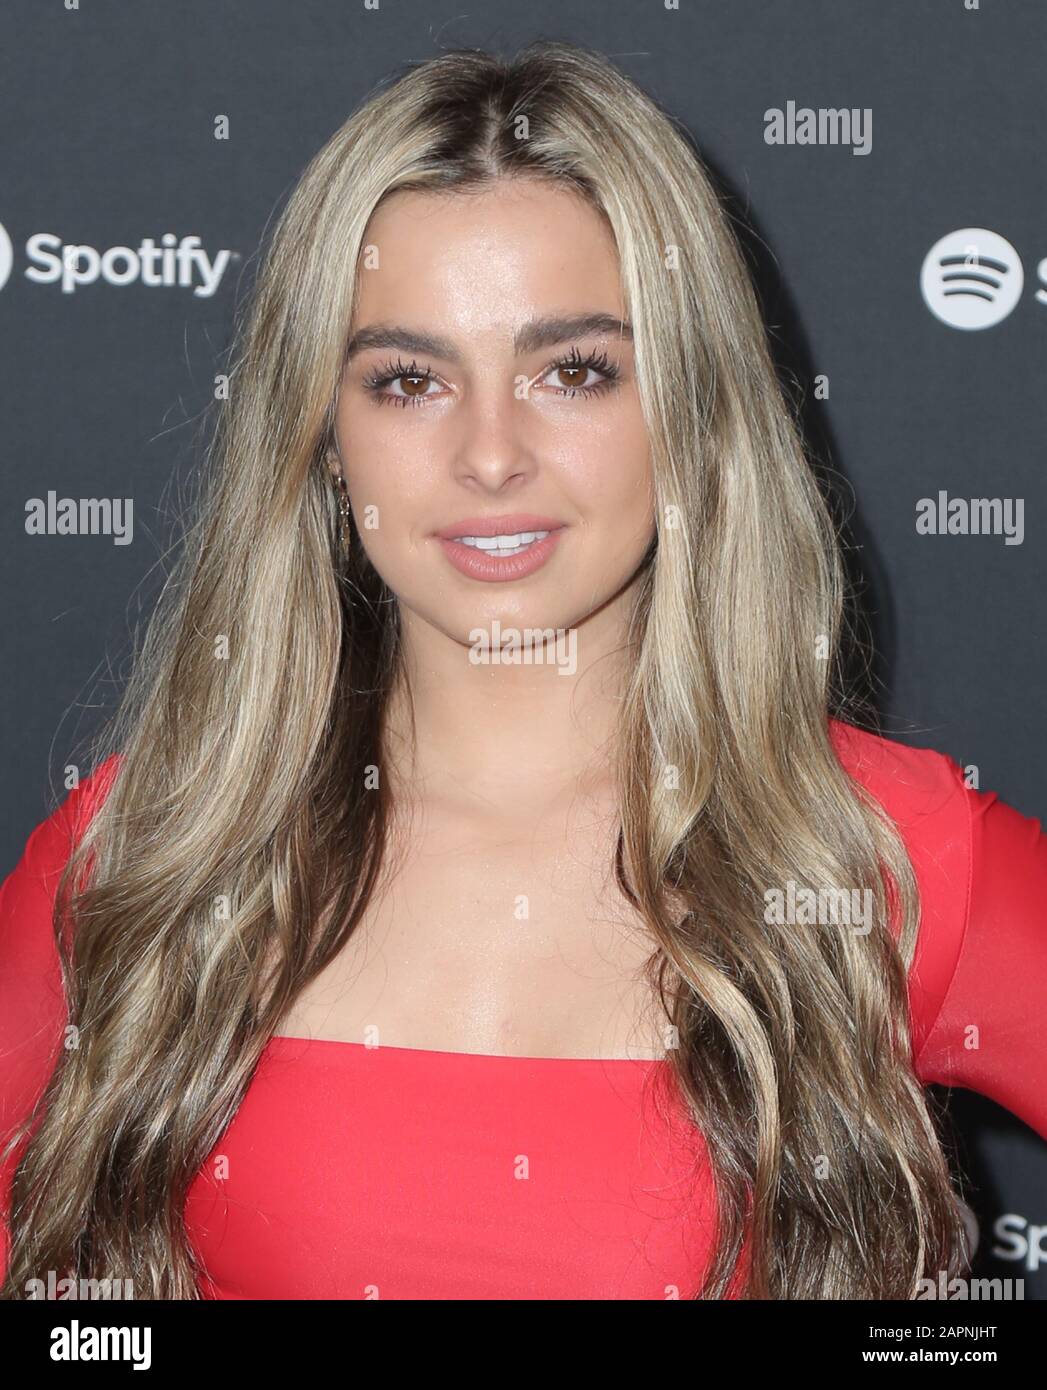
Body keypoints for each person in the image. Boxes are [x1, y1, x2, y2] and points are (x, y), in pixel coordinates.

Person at [1, 40, 1045, 1302]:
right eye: (408, 380)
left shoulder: (884, 855)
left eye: (574, 371)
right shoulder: (150, 855)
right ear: (325, 439)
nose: (491, 453)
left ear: (694, 408)